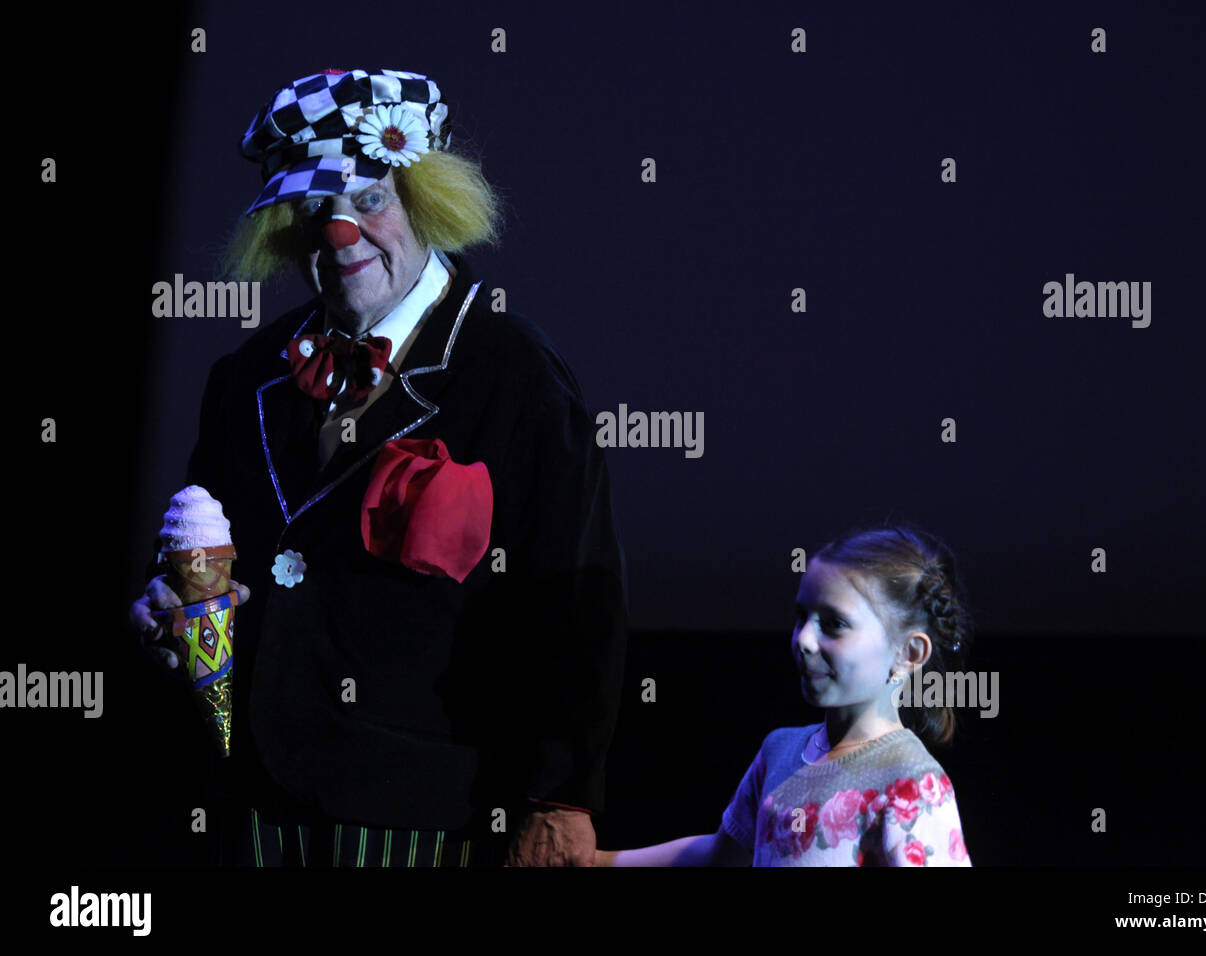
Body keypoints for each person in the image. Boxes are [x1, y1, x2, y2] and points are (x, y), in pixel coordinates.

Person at [129, 67, 628, 867]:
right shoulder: (246, 372)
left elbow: (575, 599)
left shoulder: (514, 373)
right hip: (246, 795)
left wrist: (560, 797)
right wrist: (166, 606)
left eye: (369, 200)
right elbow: (211, 556)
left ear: (425, 201)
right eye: (316, 210)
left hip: (422, 807)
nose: (342, 233)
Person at [596, 525, 972, 866]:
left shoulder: (911, 783)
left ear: (908, 654)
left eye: (833, 623)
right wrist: (596, 861)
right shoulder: (780, 752)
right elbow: (719, 856)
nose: (803, 640)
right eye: (800, 616)